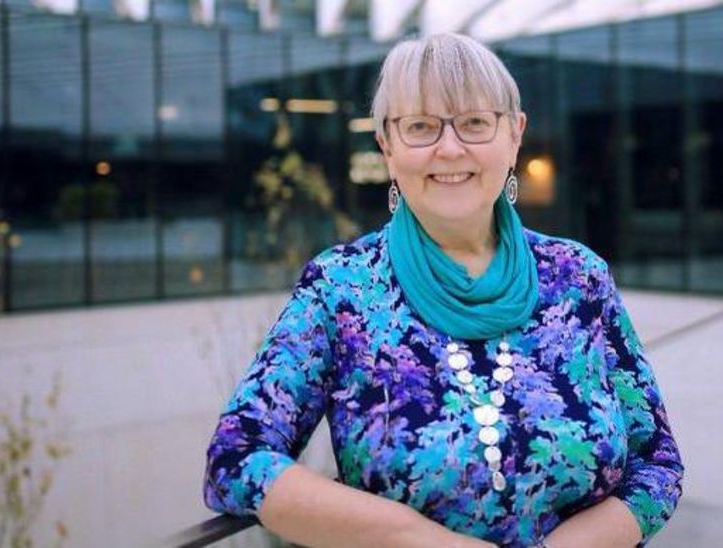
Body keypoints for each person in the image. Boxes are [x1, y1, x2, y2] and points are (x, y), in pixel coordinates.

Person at [203, 32, 683, 548]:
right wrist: (421, 540)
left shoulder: (580, 277)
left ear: (515, 134)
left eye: (474, 122)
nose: (449, 148)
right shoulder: (338, 289)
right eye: (421, 127)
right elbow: (237, 459)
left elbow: (656, 464)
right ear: (387, 145)